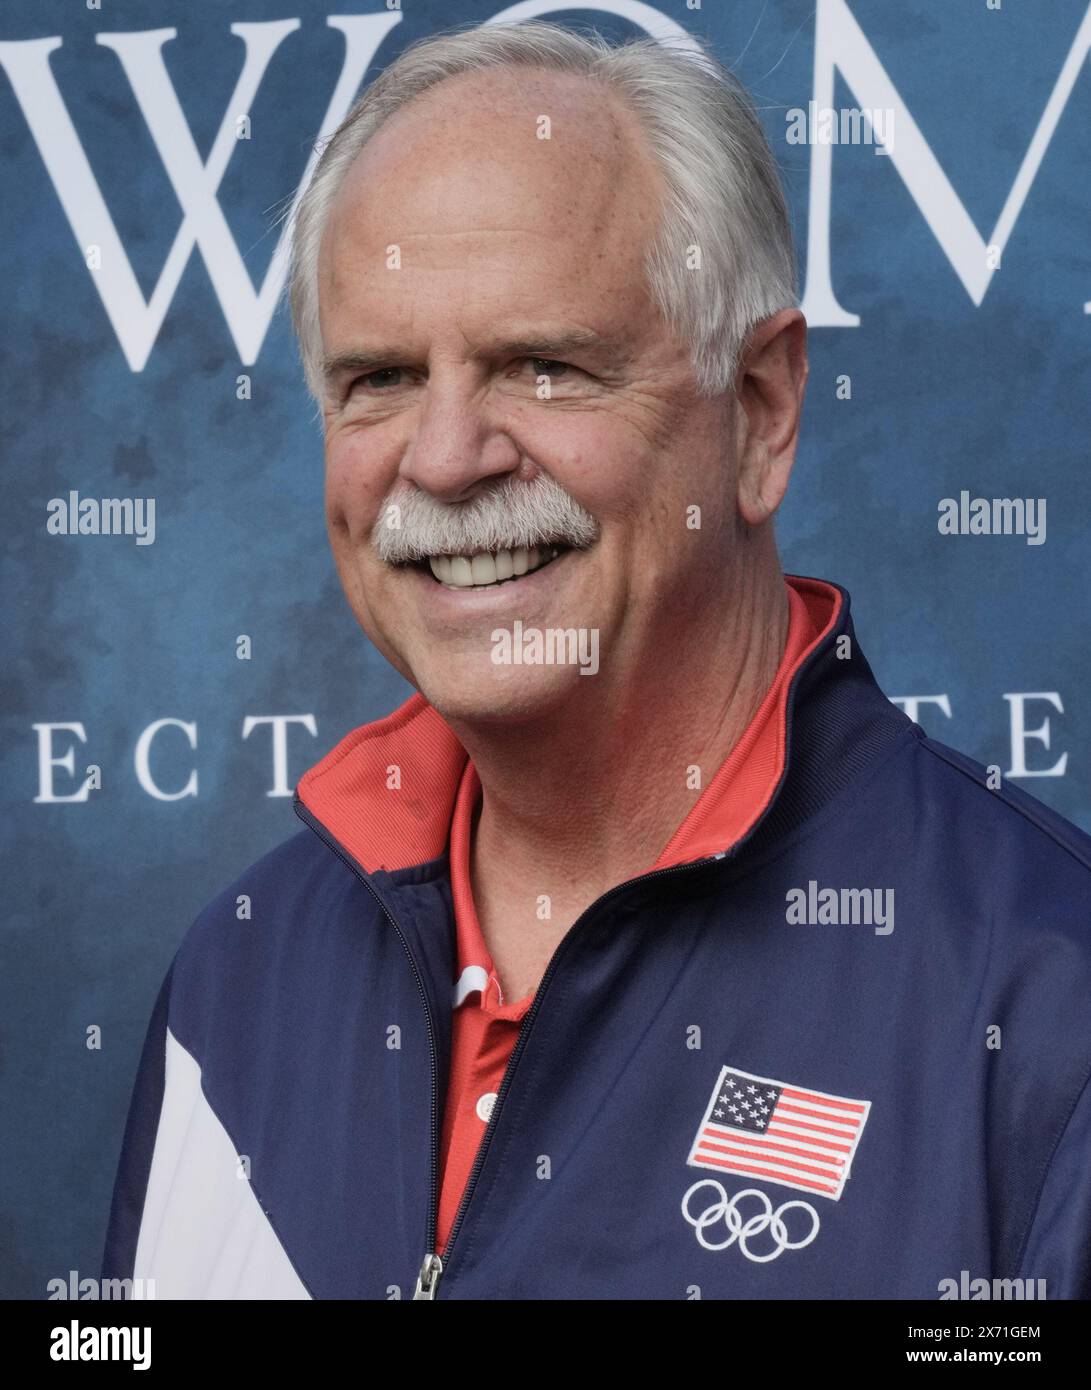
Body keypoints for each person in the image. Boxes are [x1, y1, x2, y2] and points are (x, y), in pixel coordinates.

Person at [102, 20, 1091, 1300]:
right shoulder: (238, 976)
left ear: (762, 413)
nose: (446, 458)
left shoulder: (1044, 1003)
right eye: (381, 378)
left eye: (543, 367)